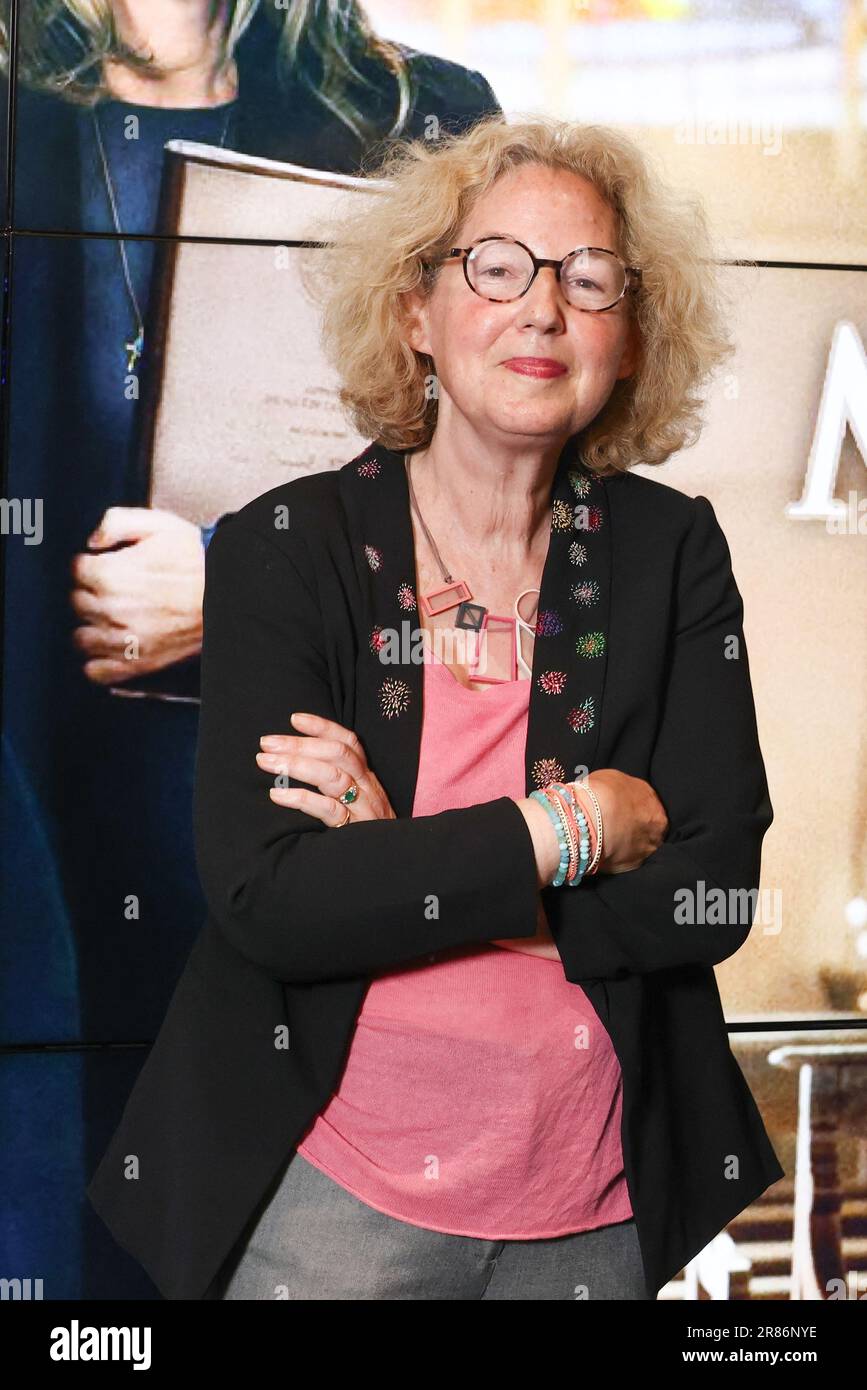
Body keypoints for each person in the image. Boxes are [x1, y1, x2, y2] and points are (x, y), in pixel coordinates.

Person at [87, 113, 785, 1301]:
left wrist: (400, 869)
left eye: (591, 278)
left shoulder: (671, 549)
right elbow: (276, 901)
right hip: (330, 1200)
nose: (544, 309)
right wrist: (569, 832)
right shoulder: (285, 545)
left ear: (631, 335)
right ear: (416, 311)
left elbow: (710, 895)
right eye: (497, 267)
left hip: (595, 1206)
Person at [1, 0, 502, 1297]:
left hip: (315, 893)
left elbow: (524, 526)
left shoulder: (420, 122)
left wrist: (237, 587)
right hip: (36, 892)